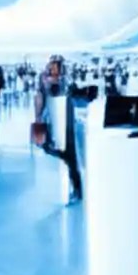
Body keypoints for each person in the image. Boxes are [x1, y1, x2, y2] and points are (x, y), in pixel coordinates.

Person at [34, 56, 84, 205]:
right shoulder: (46, 81)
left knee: (70, 156)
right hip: (52, 119)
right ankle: (73, 186)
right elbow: (40, 101)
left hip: (64, 121)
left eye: (57, 66)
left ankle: (76, 188)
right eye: (53, 66)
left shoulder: (64, 81)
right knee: (51, 148)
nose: (54, 69)